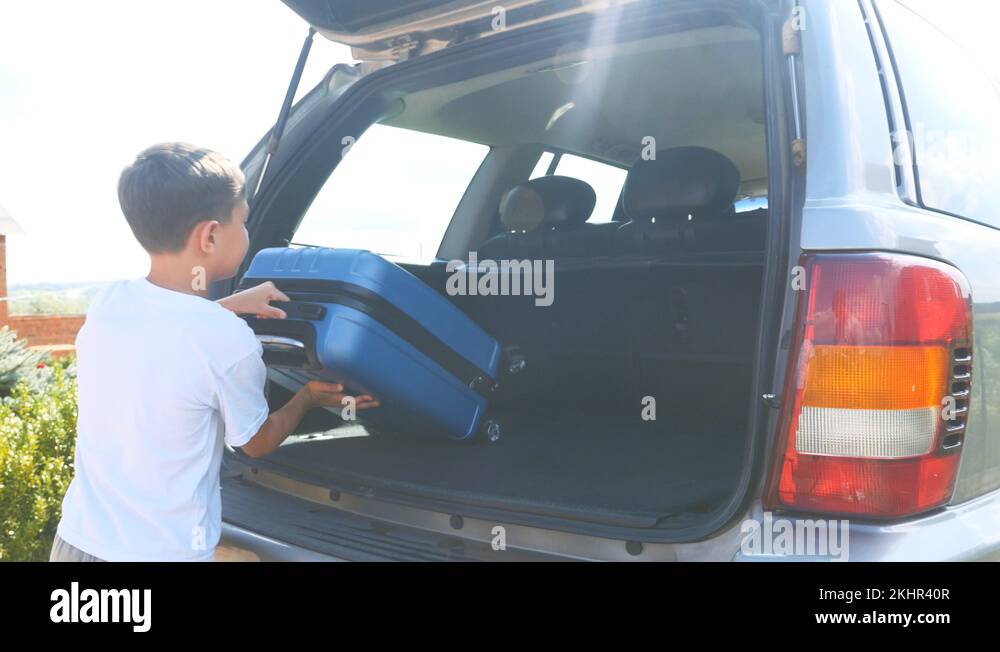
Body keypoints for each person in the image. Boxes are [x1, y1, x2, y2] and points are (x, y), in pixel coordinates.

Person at [49, 142, 378, 562]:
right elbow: (256, 443)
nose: (246, 233)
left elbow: (170, 333)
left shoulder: (110, 302)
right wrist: (307, 398)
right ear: (209, 235)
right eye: (243, 223)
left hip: (77, 542)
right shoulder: (225, 340)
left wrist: (230, 305)